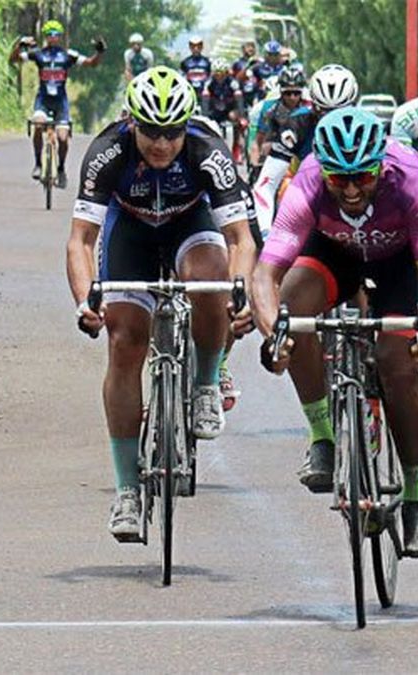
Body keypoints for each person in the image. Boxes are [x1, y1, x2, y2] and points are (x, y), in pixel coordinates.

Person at [251, 107, 418, 556]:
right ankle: (322, 435)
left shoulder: (411, 182)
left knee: (397, 364)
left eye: (363, 176)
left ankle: (417, 499)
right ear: (322, 169)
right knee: (294, 311)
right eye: (339, 179)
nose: (353, 188)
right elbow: (265, 276)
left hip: (398, 261)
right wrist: (273, 335)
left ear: (381, 165)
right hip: (334, 252)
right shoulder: (306, 187)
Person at [66, 67, 256, 541]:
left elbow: (240, 239)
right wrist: (84, 298)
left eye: (172, 133)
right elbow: (80, 242)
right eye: (151, 132)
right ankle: (128, 492)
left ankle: (207, 382)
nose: (161, 144)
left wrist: (241, 290)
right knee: (125, 340)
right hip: (129, 231)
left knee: (211, 282)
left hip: (190, 225)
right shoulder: (108, 152)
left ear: (186, 127)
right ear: (132, 123)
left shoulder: (207, 151)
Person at [253, 64, 360, 238]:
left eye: (341, 112)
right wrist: (266, 234)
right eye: (324, 112)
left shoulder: (369, 127)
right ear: (313, 105)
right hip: (311, 204)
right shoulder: (297, 123)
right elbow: (265, 186)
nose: (332, 120)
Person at [9, 21, 104, 186]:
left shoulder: (68, 55)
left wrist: (99, 52)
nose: (53, 38)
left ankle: (60, 168)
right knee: (38, 125)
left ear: (60, 37)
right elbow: (13, 59)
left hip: (61, 102)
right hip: (43, 100)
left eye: (56, 35)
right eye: (49, 35)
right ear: (45, 37)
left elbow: (91, 63)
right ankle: (38, 164)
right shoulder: (38, 54)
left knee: (62, 137)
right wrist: (20, 45)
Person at [251, 65, 309, 174]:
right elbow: (258, 141)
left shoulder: (309, 108)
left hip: (301, 151)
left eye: (296, 93)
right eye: (288, 93)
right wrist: (255, 167)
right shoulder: (269, 108)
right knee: (266, 146)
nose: (292, 97)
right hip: (277, 149)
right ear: (281, 92)